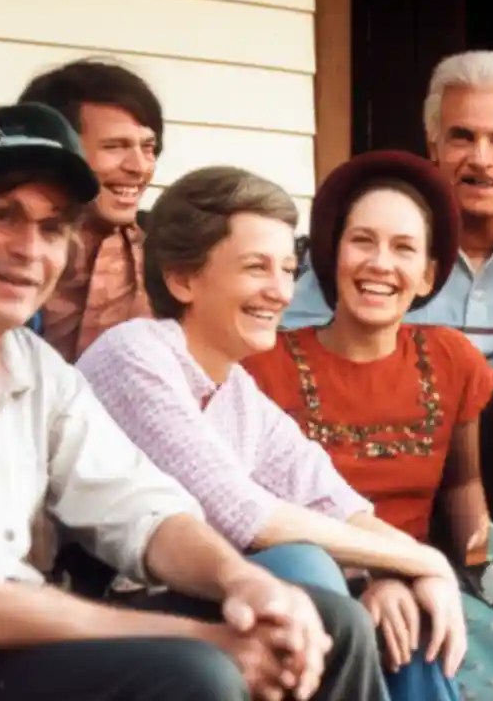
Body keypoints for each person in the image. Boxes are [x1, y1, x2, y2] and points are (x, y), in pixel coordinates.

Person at [0, 103, 385, 701]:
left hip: (18, 641)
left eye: (53, 227)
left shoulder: (35, 367)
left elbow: (140, 506)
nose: (29, 248)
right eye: (1, 215)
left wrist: (241, 581)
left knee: (327, 623)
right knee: (199, 672)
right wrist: (205, 637)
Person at [76, 165, 466, 700]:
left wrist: (402, 573)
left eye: (287, 269)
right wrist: (424, 558)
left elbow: (334, 501)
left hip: (209, 602)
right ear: (183, 279)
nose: (280, 292)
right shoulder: (135, 355)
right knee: (299, 566)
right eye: (256, 267)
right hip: (104, 616)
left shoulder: (236, 389)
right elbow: (245, 516)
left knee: (405, 609)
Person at [244, 150, 493, 700]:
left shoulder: (450, 358)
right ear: (332, 255)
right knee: (412, 657)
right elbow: (256, 518)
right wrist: (370, 579)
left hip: (423, 581)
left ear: (428, 274)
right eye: (363, 241)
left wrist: (480, 577)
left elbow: (462, 486)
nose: (381, 264)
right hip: (315, 592)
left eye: (404, 248)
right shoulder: (264, 366)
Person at [283, 50, 493, 521]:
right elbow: (294, 336)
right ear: (433, 145)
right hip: (384, 432)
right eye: (462, 136)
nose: (481, 158)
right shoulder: (387, 224)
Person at [18, 59, 159, 362]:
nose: (139, 167)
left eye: (148, 148)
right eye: (115, 146)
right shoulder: (10, 253)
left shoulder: (166, 254)